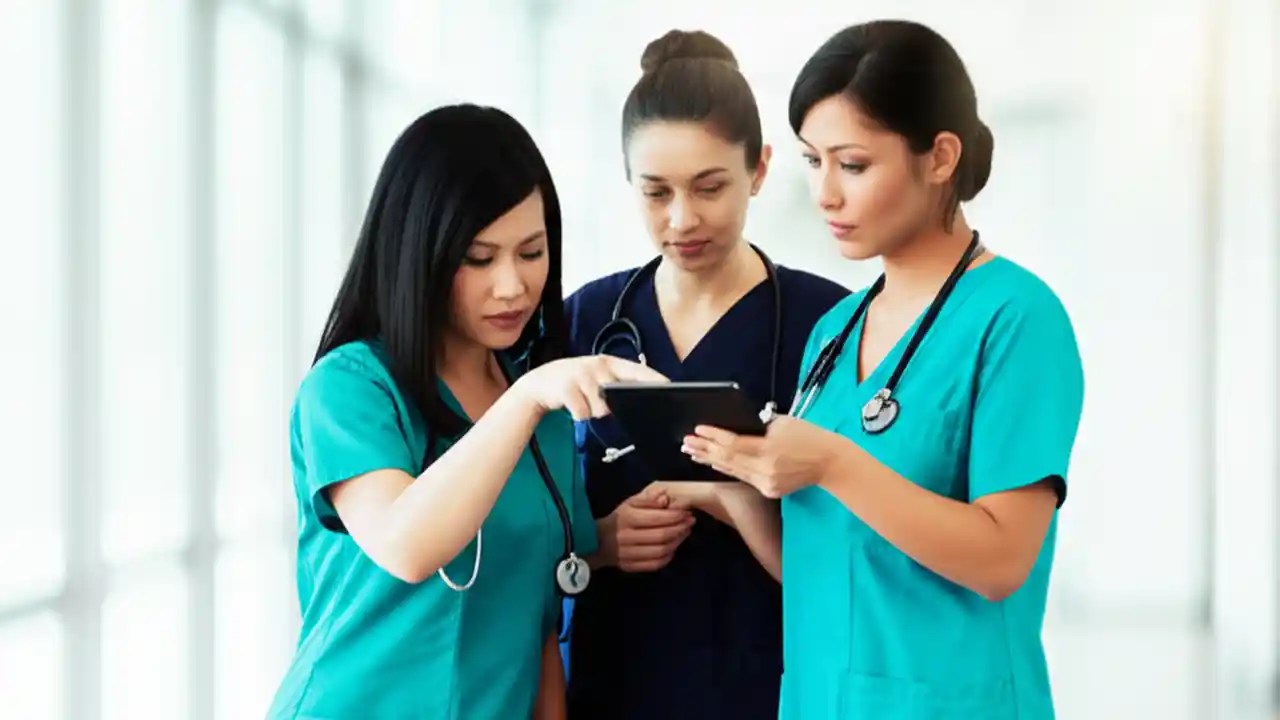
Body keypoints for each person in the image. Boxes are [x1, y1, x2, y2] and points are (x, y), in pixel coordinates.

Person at [683, 20, 1086, 720]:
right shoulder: (834, 333)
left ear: (940, 157)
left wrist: (831, 463)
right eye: (813, 161)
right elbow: (835, 563)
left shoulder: (1018, 319)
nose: (826, 194)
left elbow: (1001, 561)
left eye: (853, 165)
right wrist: (734, 492)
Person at [266, 104, 665, 720]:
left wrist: (606, 539)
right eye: (479, 259)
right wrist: (525, 399)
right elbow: (406, 544)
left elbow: (537, 615)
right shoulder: (350, 388)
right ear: (418, 254)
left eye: (531, 252)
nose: (512, 286)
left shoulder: (542, 407)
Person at [562, 30, 850, 720]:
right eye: (655, 192)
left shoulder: (830, 325)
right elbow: (521, 522)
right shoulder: (584, 322)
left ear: (760, 169)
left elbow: (858, 554)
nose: (681, 219)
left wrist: (737, 500)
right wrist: (597, 544)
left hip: (768, 685)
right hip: (613, 685)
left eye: (710, 187)